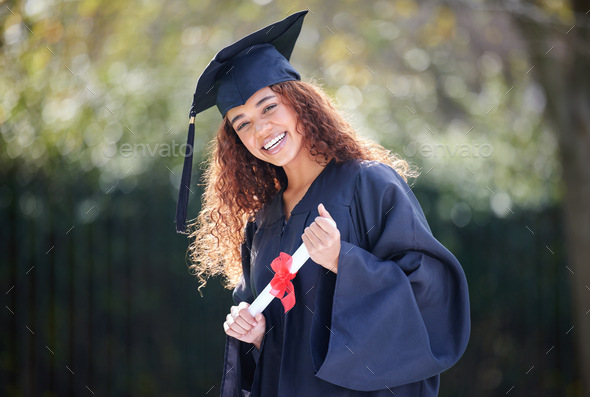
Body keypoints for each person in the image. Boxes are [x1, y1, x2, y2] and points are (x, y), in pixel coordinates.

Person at [175, 11, 470, 397]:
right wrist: (257, 336)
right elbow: (274, 348)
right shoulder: (260, 223)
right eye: (241, 123)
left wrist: (342, 261)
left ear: (299, 103)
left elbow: (430, 296)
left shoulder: (369, 184)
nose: (260, 129)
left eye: (268, 107)